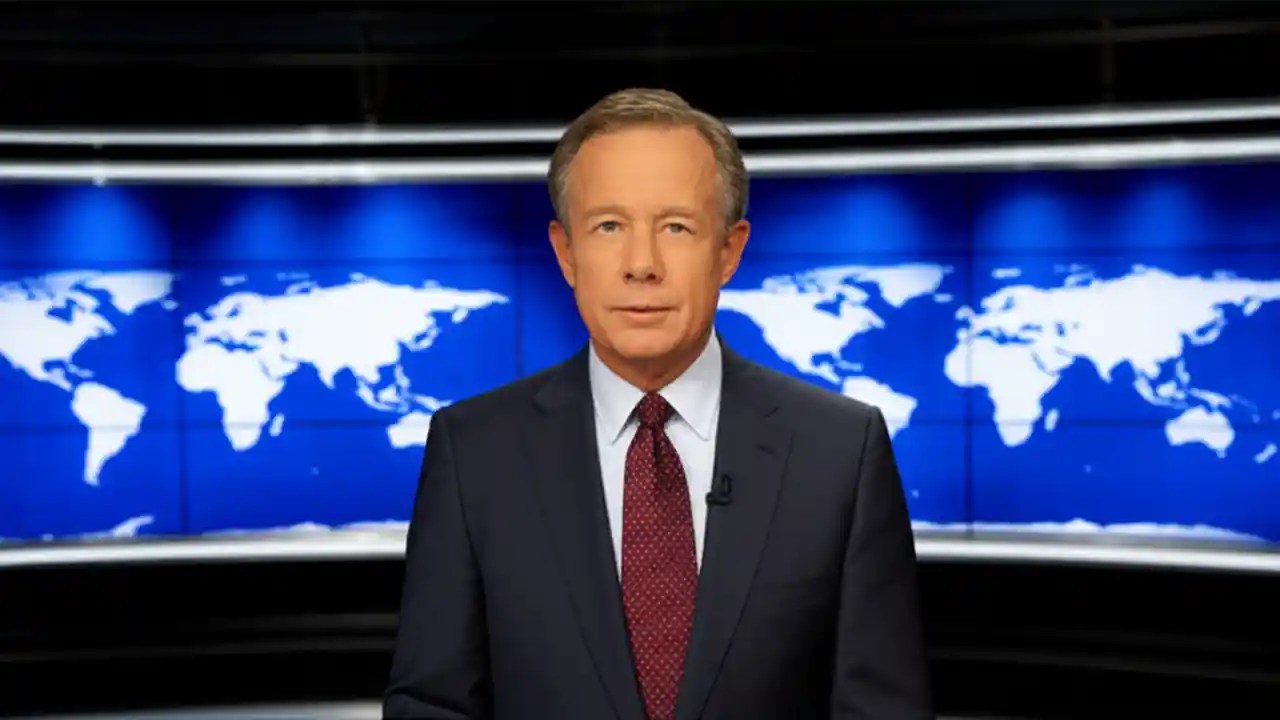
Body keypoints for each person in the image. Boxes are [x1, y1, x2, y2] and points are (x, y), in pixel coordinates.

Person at [384, 88, 933, 720]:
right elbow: (432, 703)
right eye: (609, 226)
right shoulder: (473, 451)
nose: (640, 265)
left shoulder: (841, 453)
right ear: (567, 253)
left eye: (676, 226)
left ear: (729, 251)